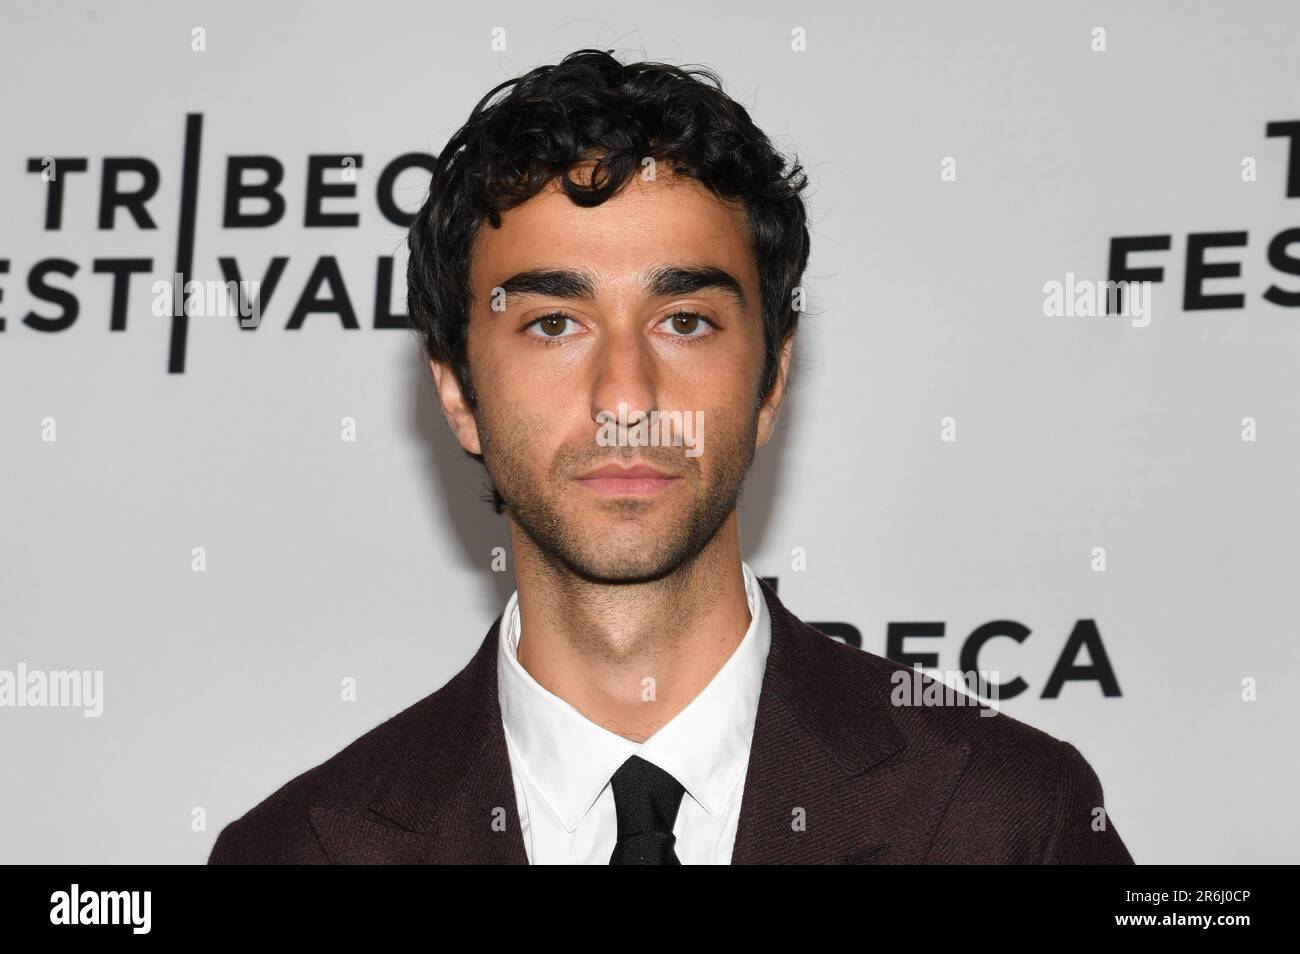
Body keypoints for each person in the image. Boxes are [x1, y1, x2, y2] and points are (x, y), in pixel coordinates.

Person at [209, 48, 1133, 865]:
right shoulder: (296, 852)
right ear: (458, 393)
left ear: (772, 377)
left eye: (684, 321)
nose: (625, 396)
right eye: (554, 324)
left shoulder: (1009, 822)